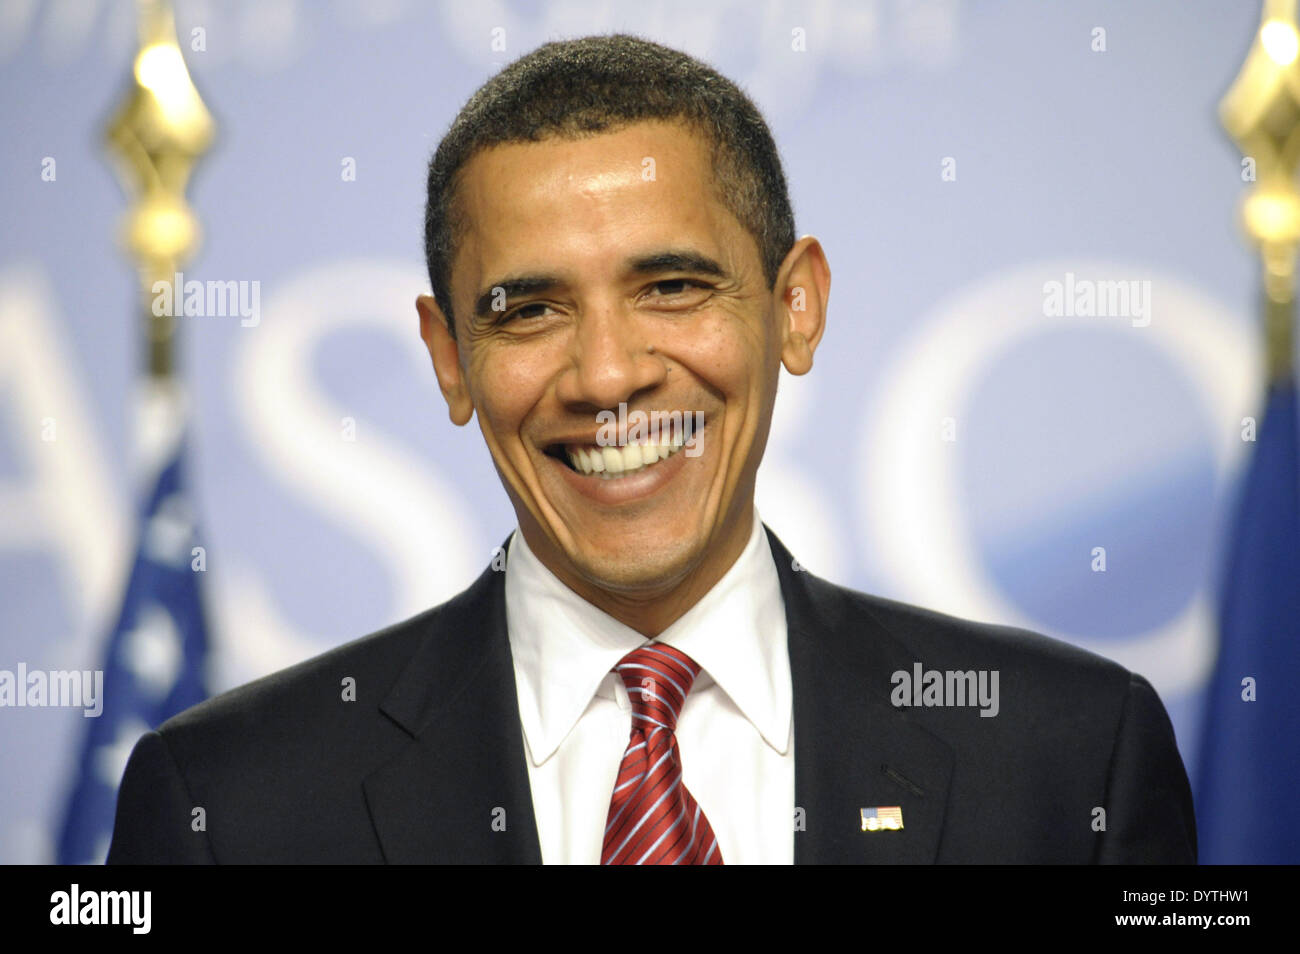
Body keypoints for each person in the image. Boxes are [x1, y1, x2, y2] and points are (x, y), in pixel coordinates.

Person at [107, 33, 1196, 865]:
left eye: (671, 287)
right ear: (448, 358)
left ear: (796, 305)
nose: (607, 375)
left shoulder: (1070, 758)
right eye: (528, 310)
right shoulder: (227, 806)